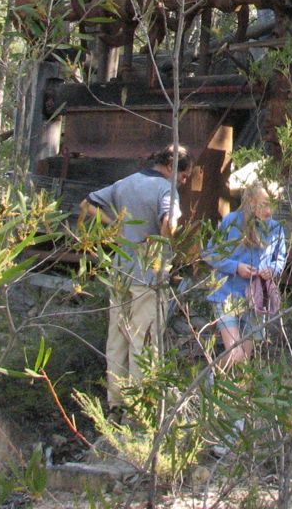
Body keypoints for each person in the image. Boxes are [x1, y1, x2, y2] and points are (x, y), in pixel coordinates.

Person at [80, 143, 193, 407]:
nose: (184, 181)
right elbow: (169, 223)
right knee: (144, 341)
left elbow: (87, 204)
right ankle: (140, 409)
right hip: (148, 276)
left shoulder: (126, 183)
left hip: (120, 271)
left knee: (117, 341)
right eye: (184, 175)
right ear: (171, 167)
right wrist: (162, 244)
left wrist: (116, 227)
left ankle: (115, 404)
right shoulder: (166, 189)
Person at [203, 168, 288, 369]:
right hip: (226, 294)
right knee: (236, 356)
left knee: (244, 363)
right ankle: (208, 373)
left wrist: (272, 270)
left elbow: (279, 259)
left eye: (273, 204)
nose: (269, 210)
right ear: (250, 202)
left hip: (256, 297)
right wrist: (236, 267)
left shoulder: (275, 228)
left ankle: (221, 384)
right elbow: (209, 254)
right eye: (264, 204)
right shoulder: (231, 221)